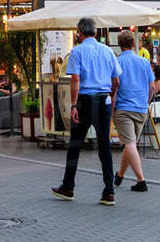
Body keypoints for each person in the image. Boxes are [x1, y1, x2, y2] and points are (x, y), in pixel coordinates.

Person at [51, 18, 121, 206]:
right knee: (104, 146)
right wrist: (110, 94)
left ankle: (68, 186)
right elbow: (116, 81)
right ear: (95, 32)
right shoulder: (108, 51)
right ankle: (109, 191)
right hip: (103, 101)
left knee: (75, 144)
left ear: (79, 33)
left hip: (84, 101)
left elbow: (75, 79)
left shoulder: (77, 51)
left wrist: (73, 105)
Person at [113, 30, 160, 192]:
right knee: (131, 144)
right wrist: (146, 103)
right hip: (141, 109)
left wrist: (112, 108)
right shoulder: (144, 62)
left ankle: (141, 180)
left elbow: (114, 87)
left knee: (129, 143)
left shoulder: (117, 62)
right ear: (133, 44)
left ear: (119, 45)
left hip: (123, 108)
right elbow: (152, 87)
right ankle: (120, 175)